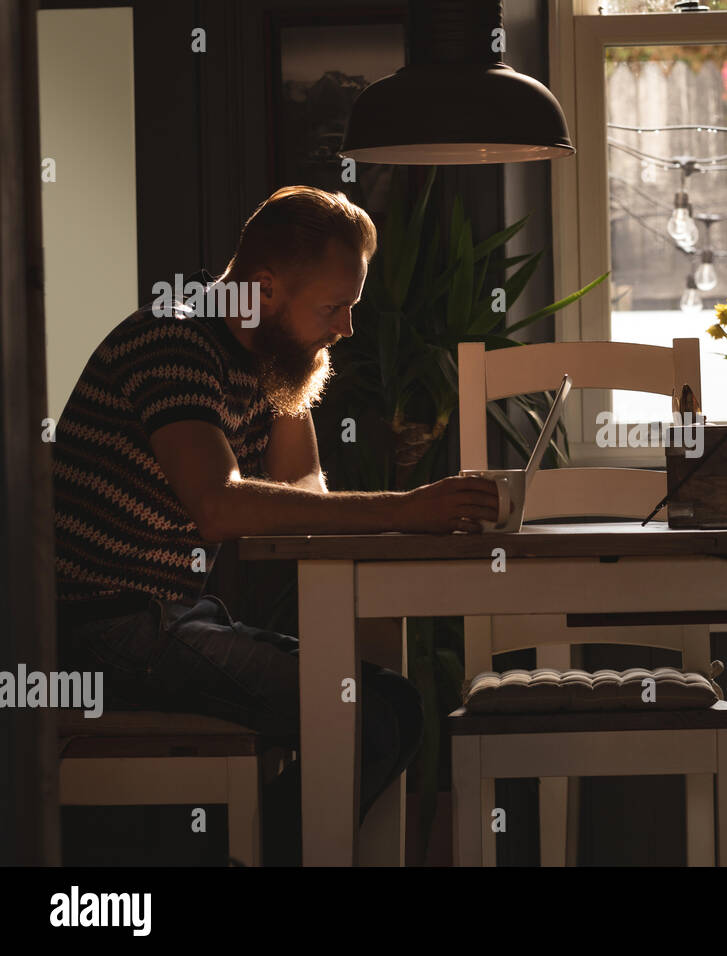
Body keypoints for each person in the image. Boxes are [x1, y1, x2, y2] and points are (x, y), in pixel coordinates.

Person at [52, 185, 501, 865]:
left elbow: (299, 496)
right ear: (262, 288)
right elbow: (220, 504)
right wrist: (404, 510)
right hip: (111, 627)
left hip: (179, 617)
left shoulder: (256, 350)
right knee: (366, 717)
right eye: (333, 307)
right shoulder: (172, 340)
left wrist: (294, 368)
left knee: (396, 707)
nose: (347, 329)